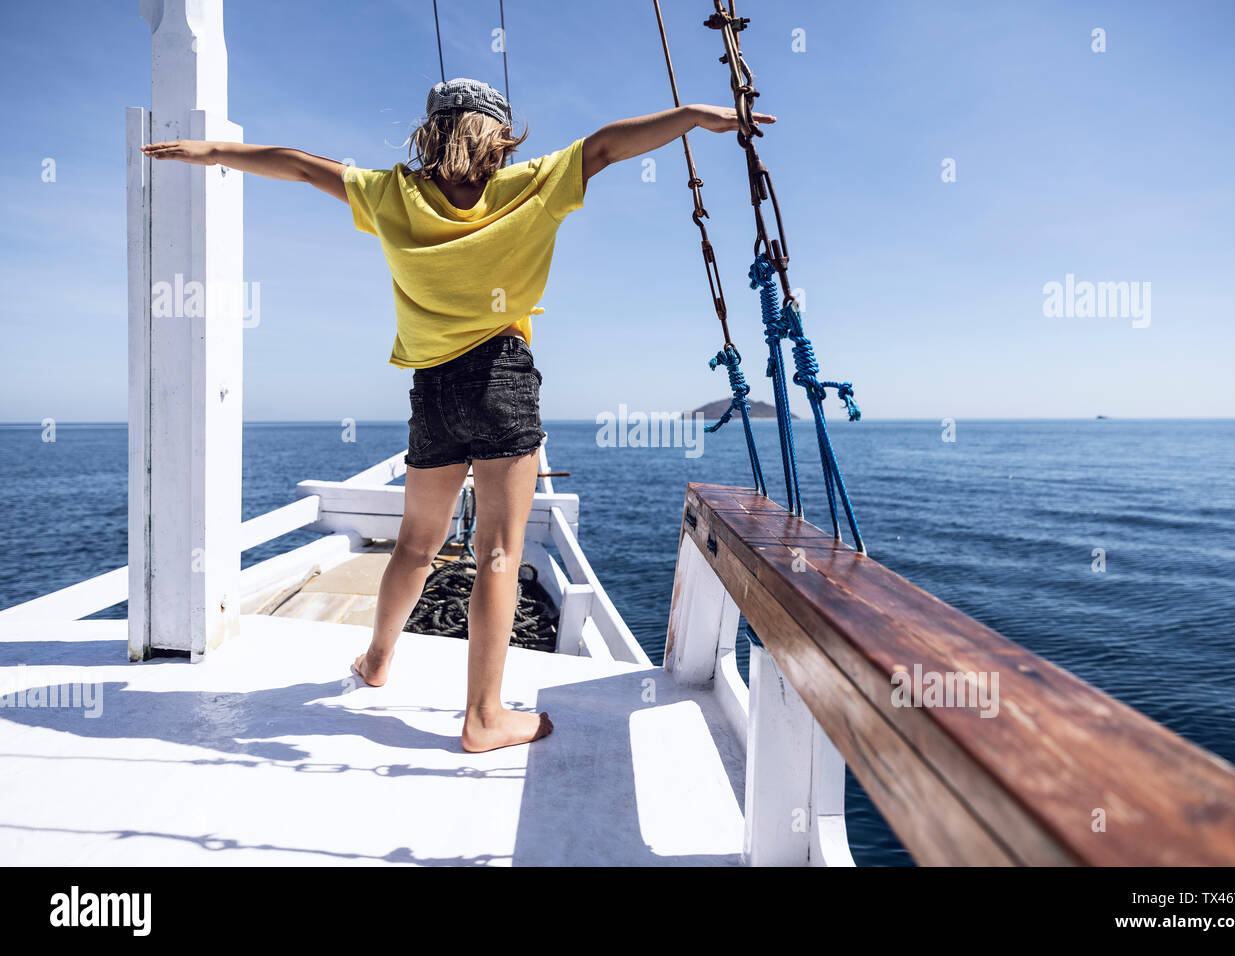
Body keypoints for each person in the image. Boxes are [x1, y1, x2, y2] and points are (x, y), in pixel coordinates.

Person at [141, 78, 775, 752]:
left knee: (415, 544)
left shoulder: (393, 194)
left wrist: (208, 150)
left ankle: (377, 660)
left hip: (432, 390)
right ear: (498, 134)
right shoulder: (528, 185)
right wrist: (692, 116)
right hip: (502, 377)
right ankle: (484, 717)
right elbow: (608, 148)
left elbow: (298, 165)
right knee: (499, 551)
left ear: (431, 131)